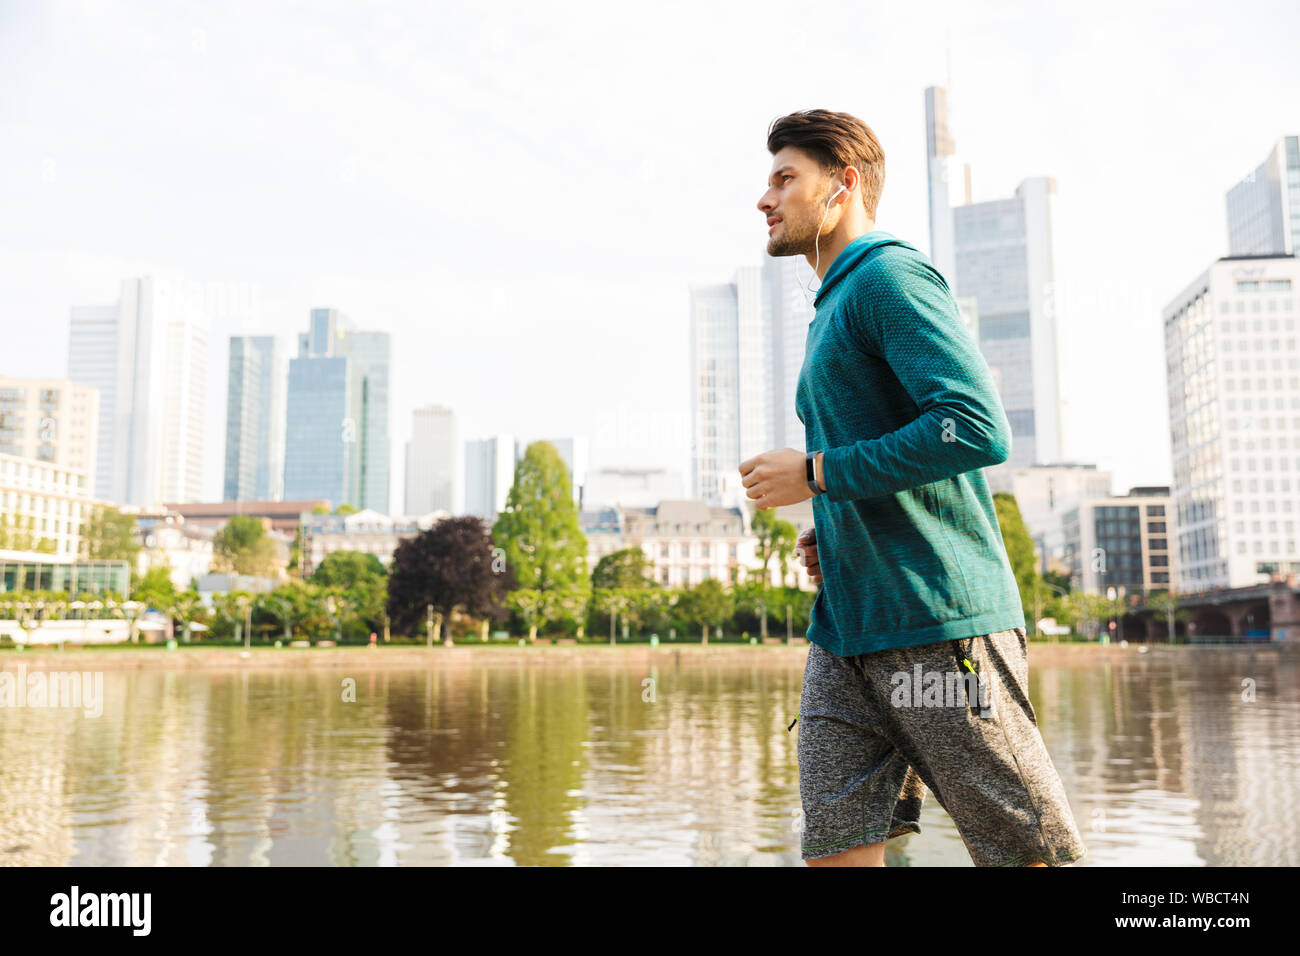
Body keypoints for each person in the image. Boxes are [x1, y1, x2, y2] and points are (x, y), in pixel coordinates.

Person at [739, 109, 1086, 868]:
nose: (764, 199)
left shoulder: (889, 277)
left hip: (934, 625)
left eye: (784, 178)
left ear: (843, 184)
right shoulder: (830, 306)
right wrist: (833, 527)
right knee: (837, 848)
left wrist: (818, 474)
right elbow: (881, 453)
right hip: (845, 635)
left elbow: (974, 426)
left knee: (1027, 851)